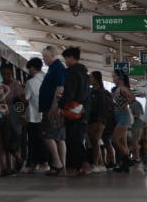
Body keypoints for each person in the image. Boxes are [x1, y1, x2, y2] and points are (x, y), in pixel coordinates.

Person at [59, 47, 90, 175]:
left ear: (71, 57)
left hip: (72, 109)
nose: (65, 61)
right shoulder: (84, 73)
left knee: (72, 139)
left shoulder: (71, 72)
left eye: (66, 58)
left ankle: (81, 165)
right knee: (77, 138)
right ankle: (80, 166)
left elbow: (69, 93)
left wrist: (60, 105)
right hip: (83, 109)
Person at [38, 46, 66, 175]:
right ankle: (62, 165)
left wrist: (53, 108)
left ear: (53, 55)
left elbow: (60, 88)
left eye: (45, 56)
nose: (43, 59)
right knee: (59, 137)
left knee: (47, 136)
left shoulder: (57, 68)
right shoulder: (53, 68)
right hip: (53, 108)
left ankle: (57, 163)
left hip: (52, 109)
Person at [24, 57, 49, 173]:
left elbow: (26, 98)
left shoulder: (30, 82)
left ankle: (38, 163)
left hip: (34, 117)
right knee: (47, 140)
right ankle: (46, 163)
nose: (29, 71)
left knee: (35, 141)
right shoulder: (47, 78)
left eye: (30, 69)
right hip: (47, 115)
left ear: (33, 68)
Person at [0, 64, 26, 172]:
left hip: (14, 115)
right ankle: (8, 166)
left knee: (13, 138)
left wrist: (21, 115)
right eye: (4, 74)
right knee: (3, 139)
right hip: (0, 114)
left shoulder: (16, 84)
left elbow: (20, 100)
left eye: (8, 74)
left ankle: (17, 160)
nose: (7, 76)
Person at [87, 71, 111, 174]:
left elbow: (106, 108)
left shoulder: (103, 93)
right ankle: (100, 163)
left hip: (99, 120)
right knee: (93, 141)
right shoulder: (91, 91)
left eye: (91, 77)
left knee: (96, 140)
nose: (90, 79)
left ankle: (96, 164)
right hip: (91, 119)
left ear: (96, 79)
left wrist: (102, 121)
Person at [111, 70, 135, 173]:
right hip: (121, 116)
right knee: (122, 142)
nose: (113, 79)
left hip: (124, 117)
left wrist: (125, 105)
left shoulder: (123, 88)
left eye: (114, 77)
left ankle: (127, 159)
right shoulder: (118, 89)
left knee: (114, 140)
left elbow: (133, 98)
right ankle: (125, 165)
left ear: (120, 78)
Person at [129, 99, 146, 166]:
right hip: (136, 126)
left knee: (135, 142)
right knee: (135, 142)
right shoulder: (133, 104)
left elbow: (139, 115)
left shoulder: (135, 104)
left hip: (137, 125)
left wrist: (129, 116)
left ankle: (137, 158)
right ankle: (135, 157)